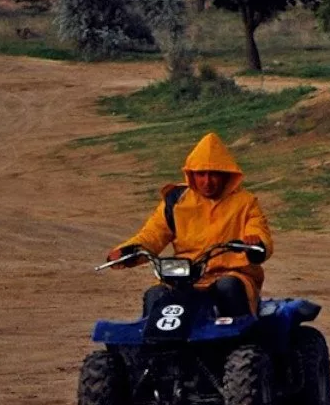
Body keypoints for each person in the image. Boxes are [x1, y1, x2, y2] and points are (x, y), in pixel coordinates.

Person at [107, 132, 272, 317]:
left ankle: (244, 341)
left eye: (214, 174)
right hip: (185, 275)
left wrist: (255, 244)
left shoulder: (245, 202)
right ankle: (151, 343)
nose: (207, 181)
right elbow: (153, 234)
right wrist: (126, 252)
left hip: (232, 272)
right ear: (191, 175)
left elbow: (258, 230)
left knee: (228, 287)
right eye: (201, 174)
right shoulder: (177, 201)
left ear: (226, 175)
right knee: (157, 295)